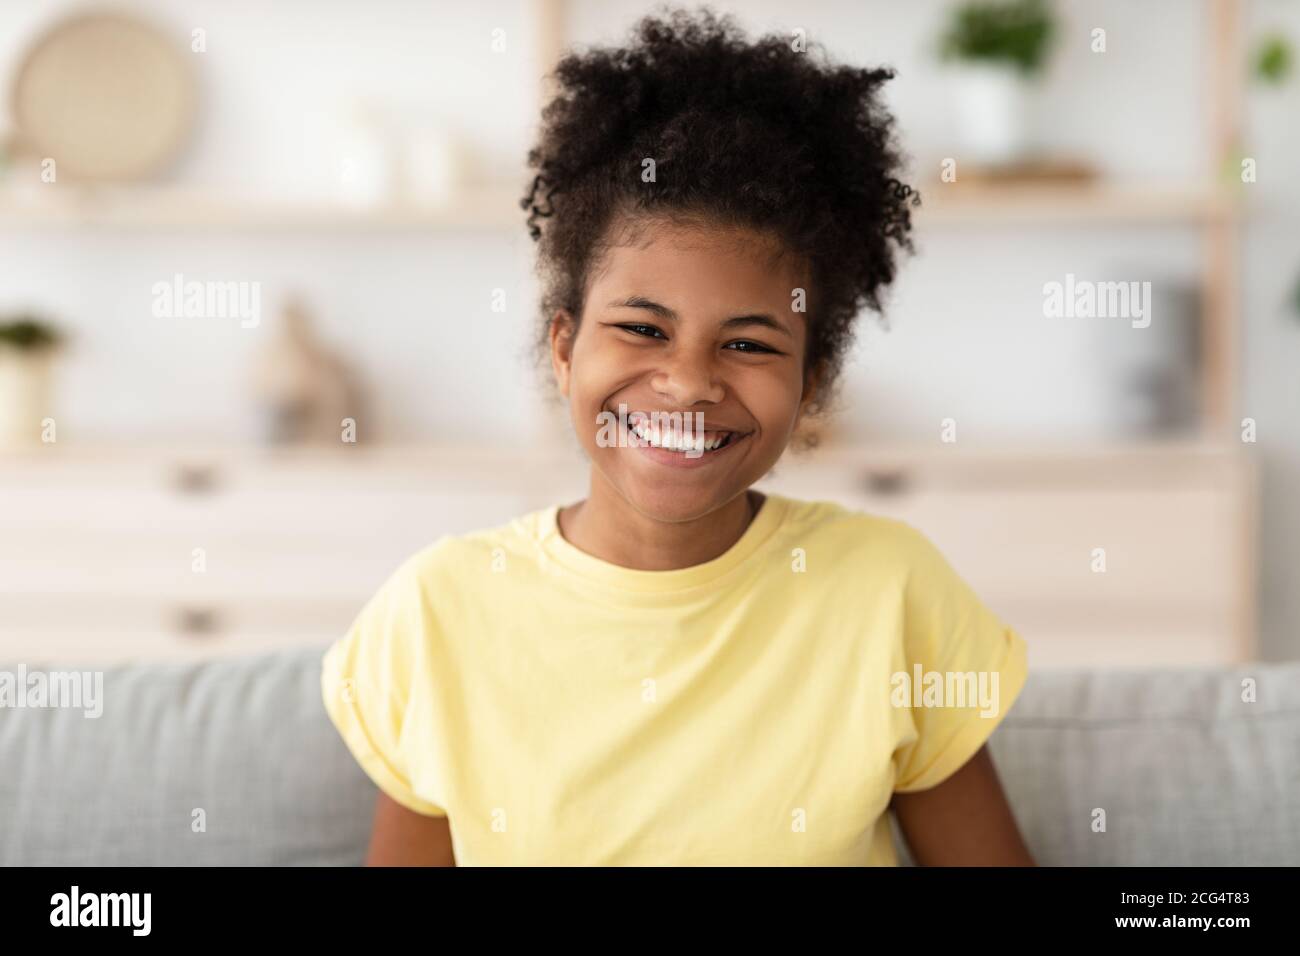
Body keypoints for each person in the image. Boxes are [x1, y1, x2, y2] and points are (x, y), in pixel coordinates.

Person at [322, 7, 1033, 866]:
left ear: (809, 383)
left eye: (748, 344)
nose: (690, 382)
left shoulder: (890, 592)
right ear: (563, 348)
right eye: (643, 329)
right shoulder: (435, 614)